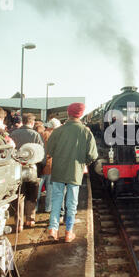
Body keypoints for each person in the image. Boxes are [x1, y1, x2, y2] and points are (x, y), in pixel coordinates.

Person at [47, 103, 98, 242]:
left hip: (58, 171)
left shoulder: (58, 131)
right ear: (80, 114)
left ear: (68, 113)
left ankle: (53, 229)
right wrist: (83, 162)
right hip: (75, 172)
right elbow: (93, 155)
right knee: (72, 202)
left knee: (57, 199)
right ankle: (69, 233)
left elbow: (49, 151)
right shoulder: (86, 132)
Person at [10, 113, 45, 230]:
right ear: (32, 122)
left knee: (19, 194)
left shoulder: (13, 134)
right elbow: (41, 154)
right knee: (32, 194)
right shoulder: (35, 135)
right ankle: (30, 219)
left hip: (16, 168)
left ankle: (18, 223)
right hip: (31, 168)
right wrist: (41, 168)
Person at [36, 118, 62, 213]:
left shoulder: (41, 134)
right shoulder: (56, 136)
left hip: (40, 165)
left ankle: (35, 208)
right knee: (50, 190)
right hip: (51, 165)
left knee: (38, 189)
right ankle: (48, 208)